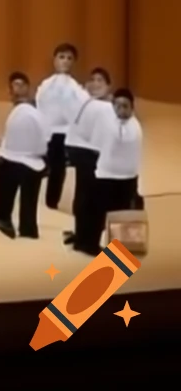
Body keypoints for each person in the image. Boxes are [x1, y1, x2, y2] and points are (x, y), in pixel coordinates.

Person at [75, 87, 143, 256]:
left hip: (127, 177)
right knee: (97, 213)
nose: (121, 110)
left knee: (121, 214)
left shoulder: (135, 126)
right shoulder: (106, 122)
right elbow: (96, 143)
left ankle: (120, 248)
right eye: (117, 106)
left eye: (125, 106)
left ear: (132, 107)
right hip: (105, 175)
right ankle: (88, 244)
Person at [0, 71, 49, 240]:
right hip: (32, 161)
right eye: (14, 86)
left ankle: (2, 218)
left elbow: (43, 139)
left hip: (24, 160)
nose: (18, 89)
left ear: (28, 88)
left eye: (21, 85)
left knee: (0, 168)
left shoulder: (30, 111)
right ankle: (24, 227)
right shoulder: (25, 112)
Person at [64, 67, 115, 248]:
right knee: (81, 197)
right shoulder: (85, 102)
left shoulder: (110, 107)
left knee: (95, 200)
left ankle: (91, 240)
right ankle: (80, 235)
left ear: (108, 86)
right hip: (82, 154)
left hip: (98, 157)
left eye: (100, 80)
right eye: (92, 79)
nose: (95, 83)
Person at [36, 42, 87, 211]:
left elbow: (82, 107)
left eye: (69, 58)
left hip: (63, 133)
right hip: (44, 131)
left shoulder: (75, 88)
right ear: (54, 60)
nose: (65, 61)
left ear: (73, 62)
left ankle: (52, 202)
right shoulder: (45, 84)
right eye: (61, 57)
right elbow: (40, 105)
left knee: (57, 169)